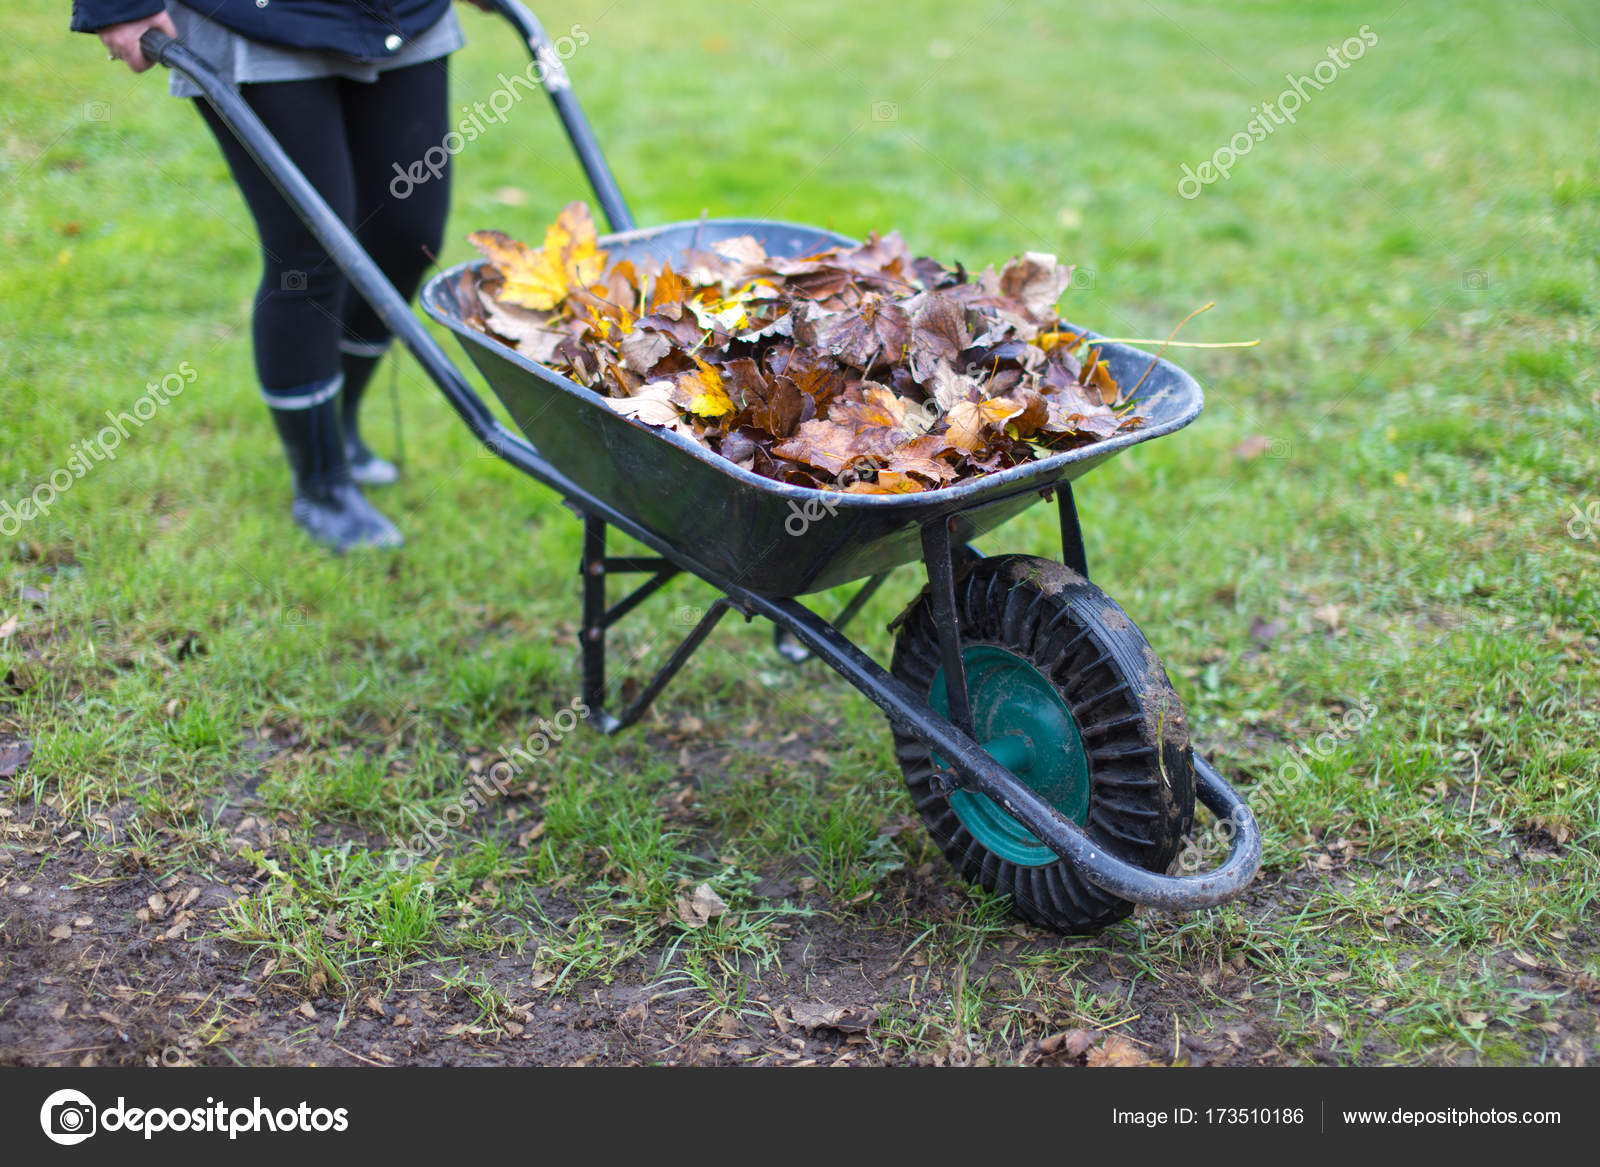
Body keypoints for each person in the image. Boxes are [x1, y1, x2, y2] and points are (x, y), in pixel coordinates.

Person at [72, 1, 492, 551]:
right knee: (310, 256)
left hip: (402, 14)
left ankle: (338, 424)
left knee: (405, 237)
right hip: (257, 21)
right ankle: (321, 484)